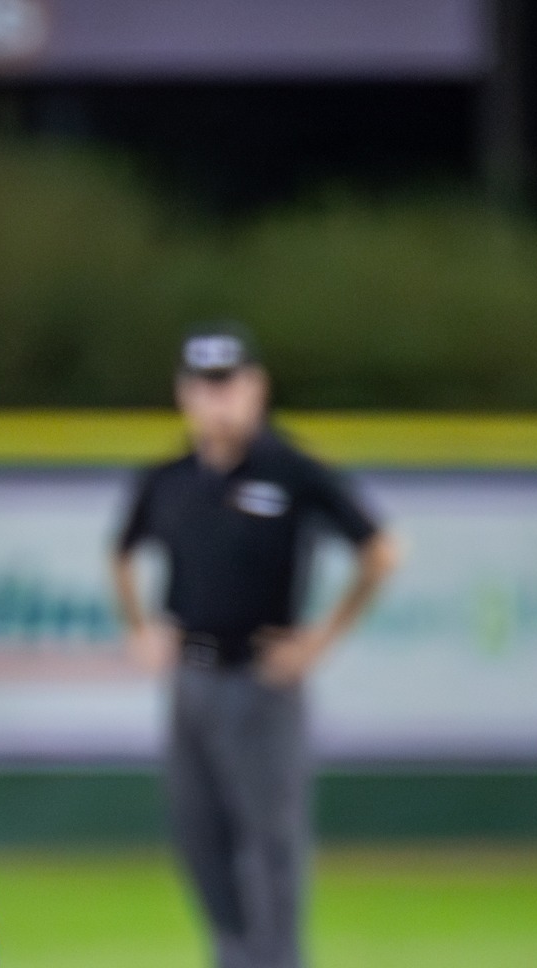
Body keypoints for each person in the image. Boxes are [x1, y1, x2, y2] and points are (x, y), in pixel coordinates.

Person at [111, 322, 398, 968]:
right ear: (185, 394)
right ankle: (233, 957)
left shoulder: (289, 469)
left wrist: (318, 639)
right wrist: (140, 626)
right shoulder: (169, 478)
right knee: (199, 837)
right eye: (204, 386)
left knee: (268, 847)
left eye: (229, 384)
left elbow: (380, 550)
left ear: (255, 387)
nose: (218, 400)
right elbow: (121, 552)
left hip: (261, 680)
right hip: (190, 676)